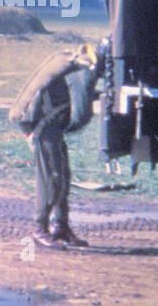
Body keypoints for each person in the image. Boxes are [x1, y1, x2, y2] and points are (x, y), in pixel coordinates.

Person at [10, 43, 100, 249]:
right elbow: (81, 111)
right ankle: (40, 228)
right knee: (51, 179)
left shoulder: (64, 67)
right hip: (46, 131)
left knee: (62, 177)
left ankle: (61, 226)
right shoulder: (79, 72)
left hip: (50, 130)